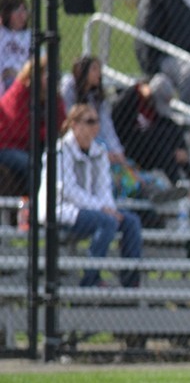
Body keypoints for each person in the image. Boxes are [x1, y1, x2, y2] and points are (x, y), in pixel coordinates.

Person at [37, 104, 143, 287]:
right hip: (61, 210)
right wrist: (103, 210)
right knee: (107, 222)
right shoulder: (60, 151)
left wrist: (109, 208)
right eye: (89, 121)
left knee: (131, 222)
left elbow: (104, 189)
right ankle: (90, 280)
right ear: (75, 125)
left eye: (97, 121)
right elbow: (67, 190)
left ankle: (130, 285)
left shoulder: (99, 152)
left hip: (92, 211)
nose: (95, 126)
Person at [112, 72, 190, 185]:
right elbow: (119, 131)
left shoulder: (153, 106)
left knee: (170, 130)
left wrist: (181, 149)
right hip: (129, 148)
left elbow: (170, 126)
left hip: (152, 147)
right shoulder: (130, 99)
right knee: (159, 139)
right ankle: (177, 182)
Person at [0, 57, 65, 195]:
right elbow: (21, 130)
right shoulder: (20, 91)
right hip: (7, 146)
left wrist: (50, 131)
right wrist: (49, 131)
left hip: (32, 146)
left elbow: (62, 123)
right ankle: (32, 207)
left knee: (59, 160)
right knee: (32, 165)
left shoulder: (52, 95)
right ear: (35, 74)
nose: (51, 77)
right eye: (46, 73)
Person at [60, 55, 126, 165]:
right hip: (77, 139)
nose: (99, 74)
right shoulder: (69, 89)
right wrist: (101, 152)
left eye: (99, 69)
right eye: (94, 69)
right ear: (83, 71)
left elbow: (106, 125)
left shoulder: (97, 96)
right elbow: (69, 120)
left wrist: (117, 150)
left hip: (98, 140)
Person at [0, 0, 30, 93]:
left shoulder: (30, 36)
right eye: (17, 11)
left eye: (24, 11)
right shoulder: (2, 32)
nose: (22, 16)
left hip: (22, 78)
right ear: (7, 14)